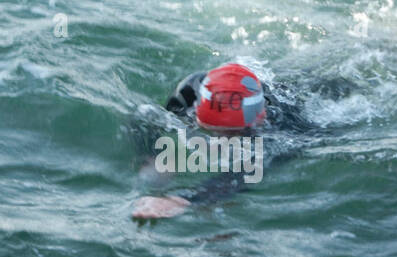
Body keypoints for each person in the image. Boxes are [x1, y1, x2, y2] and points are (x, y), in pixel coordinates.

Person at [130, 62, 310, 220]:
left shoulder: (285, 127)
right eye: (213, 130)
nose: (222, 139)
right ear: (198, 114)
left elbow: (245, 174)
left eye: (233, 133)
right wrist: (153, 158)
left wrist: (185, 200)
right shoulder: (187, 96)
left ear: (260, 119)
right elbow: (143, 116)